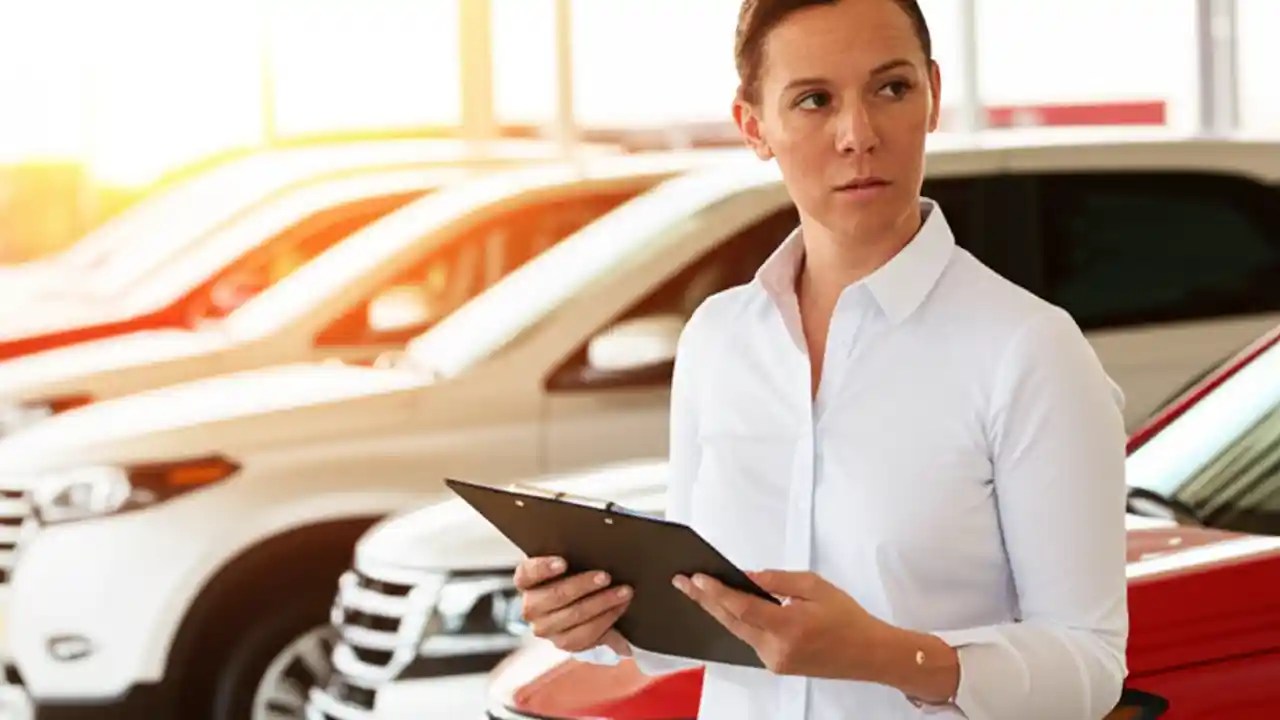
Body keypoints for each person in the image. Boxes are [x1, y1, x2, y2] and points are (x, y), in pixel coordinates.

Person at [512, 1, 1129, 717]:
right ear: (754, 127)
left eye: (891, 89)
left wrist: (882, 654)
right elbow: (701, 604)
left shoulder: (1029, 349)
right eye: (813, 100)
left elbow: (1090, 666)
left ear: (931, 95)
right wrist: (596, 618)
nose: (858, 135)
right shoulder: (718, 339)